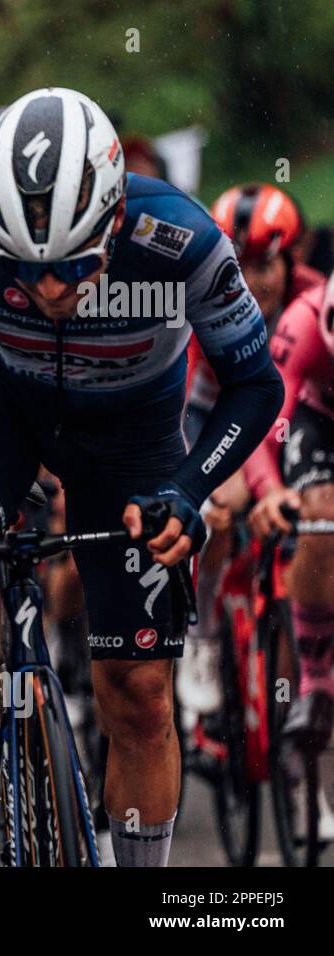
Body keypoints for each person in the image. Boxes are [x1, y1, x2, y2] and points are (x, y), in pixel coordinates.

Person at [0, 87, 284, 866]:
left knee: (140, 692)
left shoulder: (182, 237)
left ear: (114, 221)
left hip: (132, 432)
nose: (50, 291)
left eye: (73, 266)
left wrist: (188, 487)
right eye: (25, 268)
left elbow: (257, 385)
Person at [179, 183, 325, 712]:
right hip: (213, 415)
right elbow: (189, 405)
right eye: (237, 266)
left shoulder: (313, 297)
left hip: (286, 418)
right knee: (219, 510)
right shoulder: (202, 303)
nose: (250, 283)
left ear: (291, 259)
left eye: (263, 265)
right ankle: (203, 634)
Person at [242, 272, 334, 839]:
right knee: (321, 512)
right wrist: (270, 493)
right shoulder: (301, 322)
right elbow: (264, 425)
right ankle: (315, 685)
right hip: (314, 422)